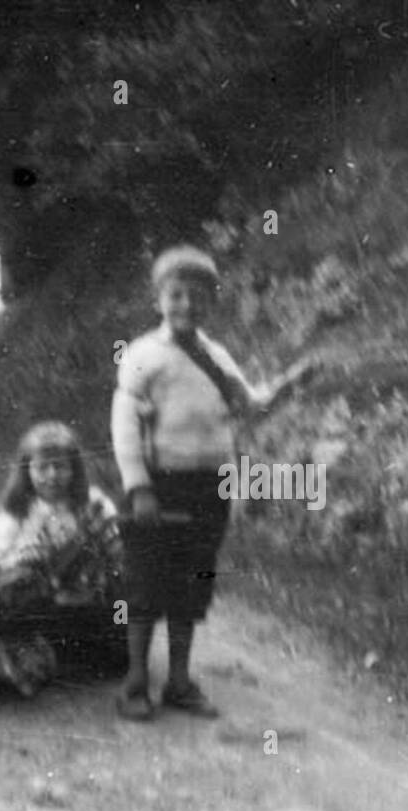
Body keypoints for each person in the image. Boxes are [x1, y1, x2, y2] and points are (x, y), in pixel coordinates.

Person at [110, 245, 313, 720]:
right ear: (159, 299)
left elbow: (250, 403)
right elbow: (123, 425)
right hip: (157, 487)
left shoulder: (217, 355)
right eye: (176, 295)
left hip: (210, 488)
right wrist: (138, 486)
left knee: (191, 584)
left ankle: (179, 681)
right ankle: (136, 682)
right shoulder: (143, 355)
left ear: (211, 303)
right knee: (145, 583)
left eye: (198, 297)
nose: (186, 305)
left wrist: (287, 386)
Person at [0, 421, 118, 696]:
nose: (52, 476)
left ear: (75, 469)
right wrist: (20, 560)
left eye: (61, 467)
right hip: (41, 598)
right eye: (42, 467)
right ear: (27, 470)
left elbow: (115, 541)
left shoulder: (92, 503)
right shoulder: (20, 510)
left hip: (84, 595)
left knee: (113, 657)